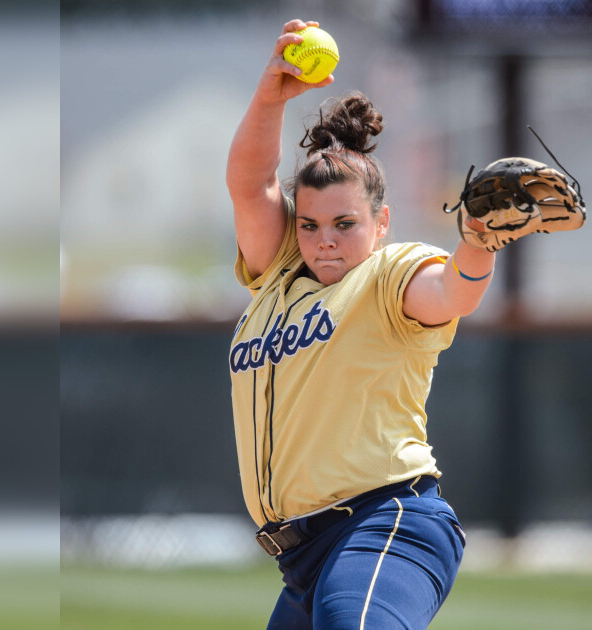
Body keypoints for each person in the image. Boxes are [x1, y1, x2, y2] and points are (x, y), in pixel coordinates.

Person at [225, 19, 500, 629]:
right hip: (304, 558)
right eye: (310, 224)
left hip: (387, 524)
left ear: (380, 223)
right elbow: (251, 185)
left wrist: (479, 242)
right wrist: (271, 94)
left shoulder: (388, 275)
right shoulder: (277, 276)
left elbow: (453, 291)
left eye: (344, 224)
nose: (324, 242)